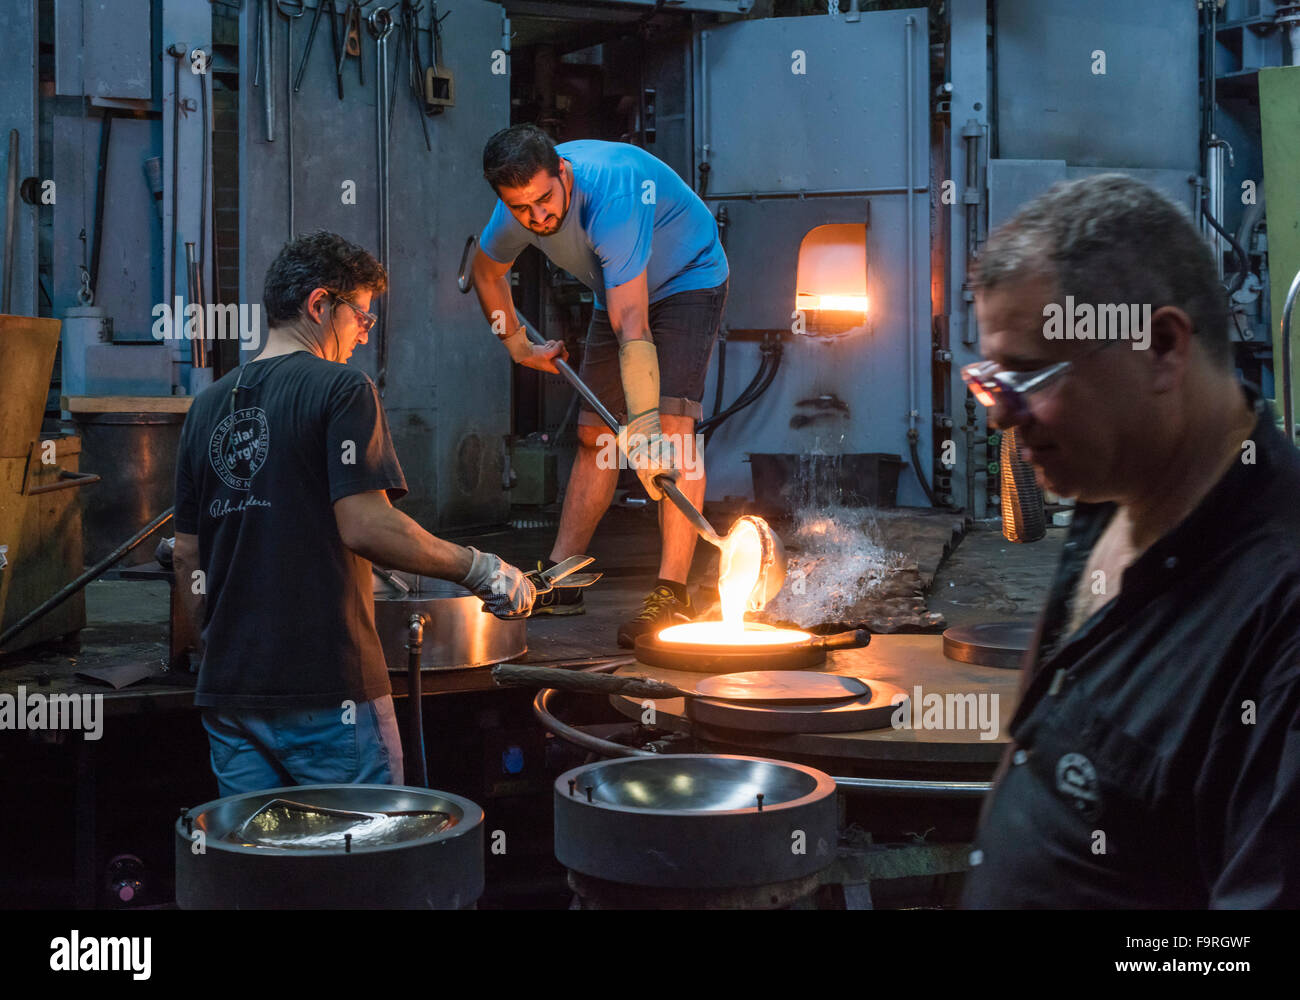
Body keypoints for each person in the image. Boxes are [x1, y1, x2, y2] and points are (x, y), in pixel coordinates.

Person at [958, 174, 1300, 908]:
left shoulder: (1279, 615)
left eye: (1030, 378)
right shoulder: (1106, 485)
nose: (1000, 418)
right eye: (990, 382)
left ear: (1162, 348)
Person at [172, 232, 535, 797]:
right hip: (327, 692)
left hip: (230, 694)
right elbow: (368, 525)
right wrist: (481, 568)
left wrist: (214, 648)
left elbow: (189, 553)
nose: (363, 337)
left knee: (260, 866)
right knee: (363, 861)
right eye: (362, 318)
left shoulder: (208, 405)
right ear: (320, 305)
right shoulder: (342, 388)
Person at [469, 124, 730, 647]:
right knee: (595, 437)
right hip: (615, 287)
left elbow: (633, 325)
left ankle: (672, 592)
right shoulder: (515, 208)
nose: (538, 218)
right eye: (523, 210)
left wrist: (649, 431)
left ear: (562, 172)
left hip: (687, 279)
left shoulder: (614, 193)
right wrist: (517, 346)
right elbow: (486, 273)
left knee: (674, 433)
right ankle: (566, 579)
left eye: (545, 200)